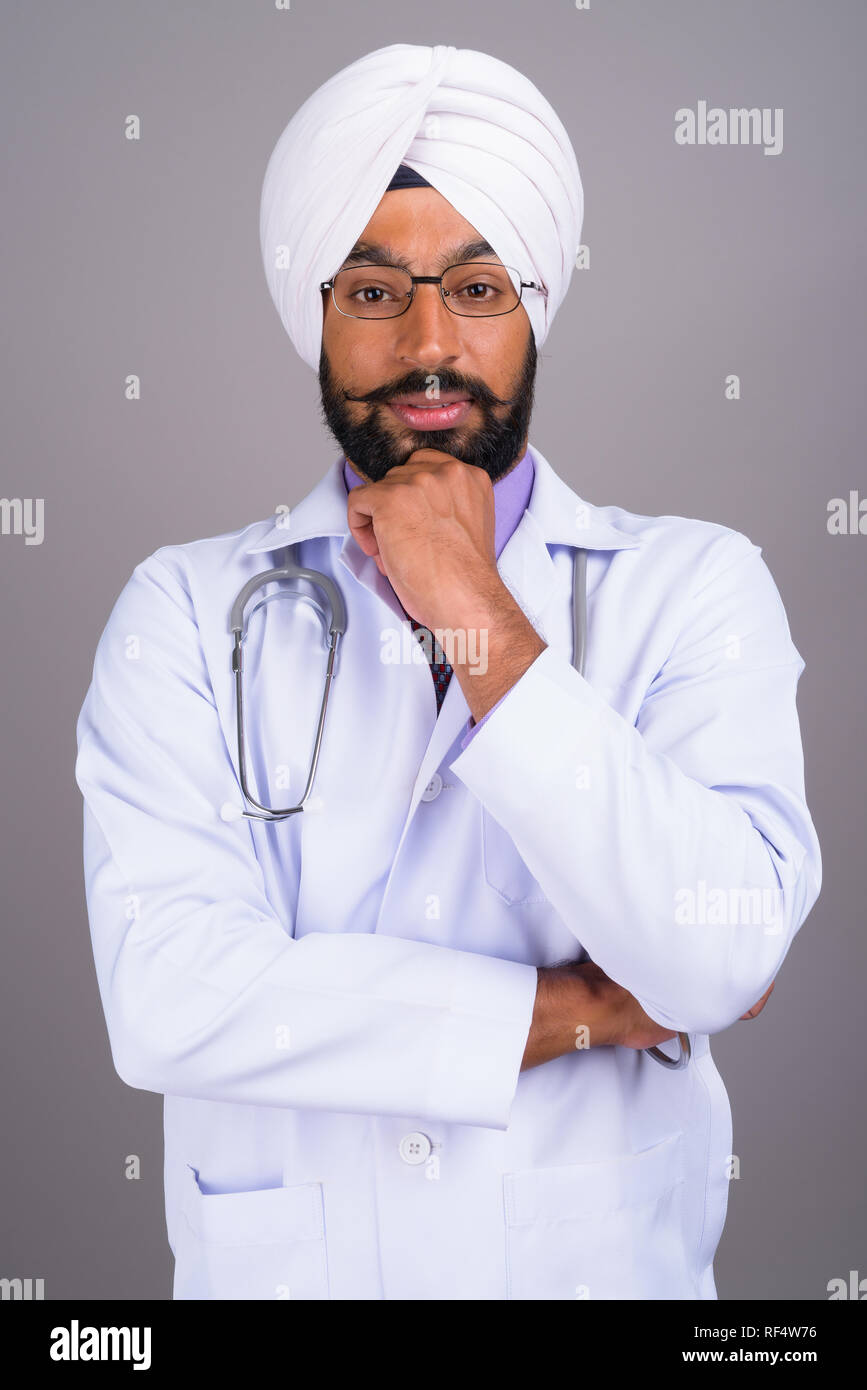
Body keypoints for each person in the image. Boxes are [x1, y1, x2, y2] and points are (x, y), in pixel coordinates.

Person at [75, 43, 821, 1301]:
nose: (431, 344)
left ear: (535, 305)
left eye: (477, 287)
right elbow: (168, 999)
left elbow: (722, 953)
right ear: (314, 312)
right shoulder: (185, 611)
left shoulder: (696, 587)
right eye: (374, 293)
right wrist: (578, 1012)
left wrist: (478, 612)